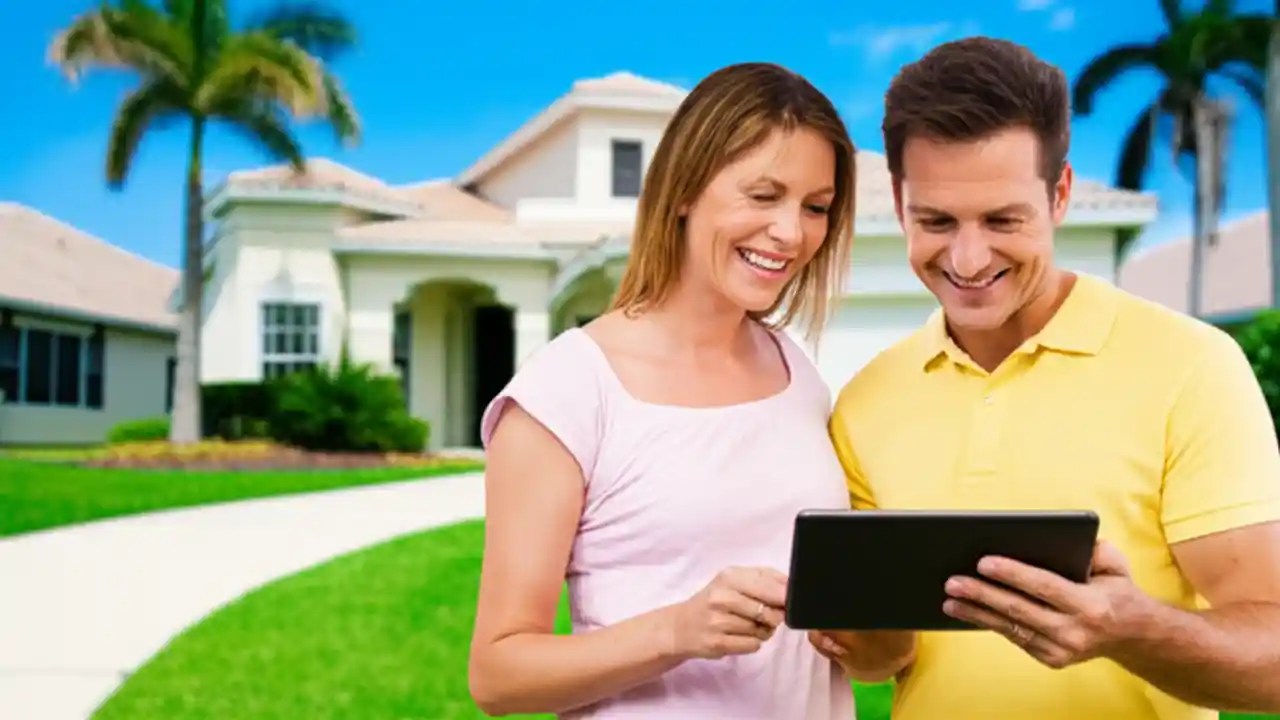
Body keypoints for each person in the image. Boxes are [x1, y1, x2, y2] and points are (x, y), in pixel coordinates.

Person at [811, 35, 1280, 720]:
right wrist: (858, 636)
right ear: (899, 199)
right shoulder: (866, 401)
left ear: (1059, 195)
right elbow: (883, 660)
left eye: (1004, 220)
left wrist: (1132, 631)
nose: (968, 259)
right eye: (935, 221)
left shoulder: (1191, 367)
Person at [467, 62, 860, 718]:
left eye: (815, 208)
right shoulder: (568, 391)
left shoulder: (796, 374)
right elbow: (499, 674)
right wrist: (675, 631)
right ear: (683, 191)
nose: (792, 233)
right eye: (763, 196)